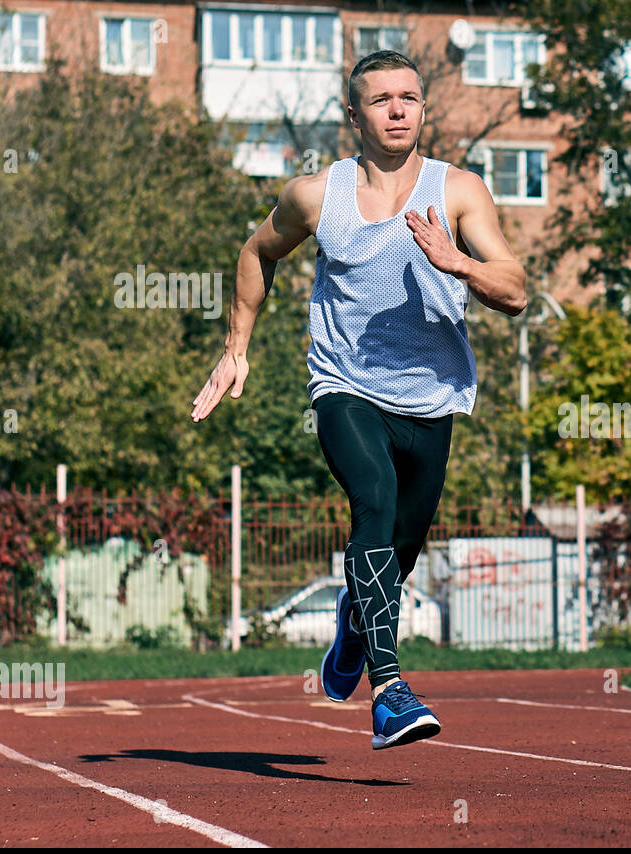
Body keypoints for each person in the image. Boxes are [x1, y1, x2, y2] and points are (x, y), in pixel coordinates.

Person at [190, 49, 527, 749]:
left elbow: (516, 290)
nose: (399, 109)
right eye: (381, 100)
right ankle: (391, 692)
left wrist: (456, 261)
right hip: (344, 387)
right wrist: (236, 348)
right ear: (354, 116)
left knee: (396, 555)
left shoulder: (457, 190)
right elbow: (257, 253)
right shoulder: (316, 195)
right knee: (371, 500)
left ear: (423, 108)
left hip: (431, 400)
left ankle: (350, 632)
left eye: (409, 97)